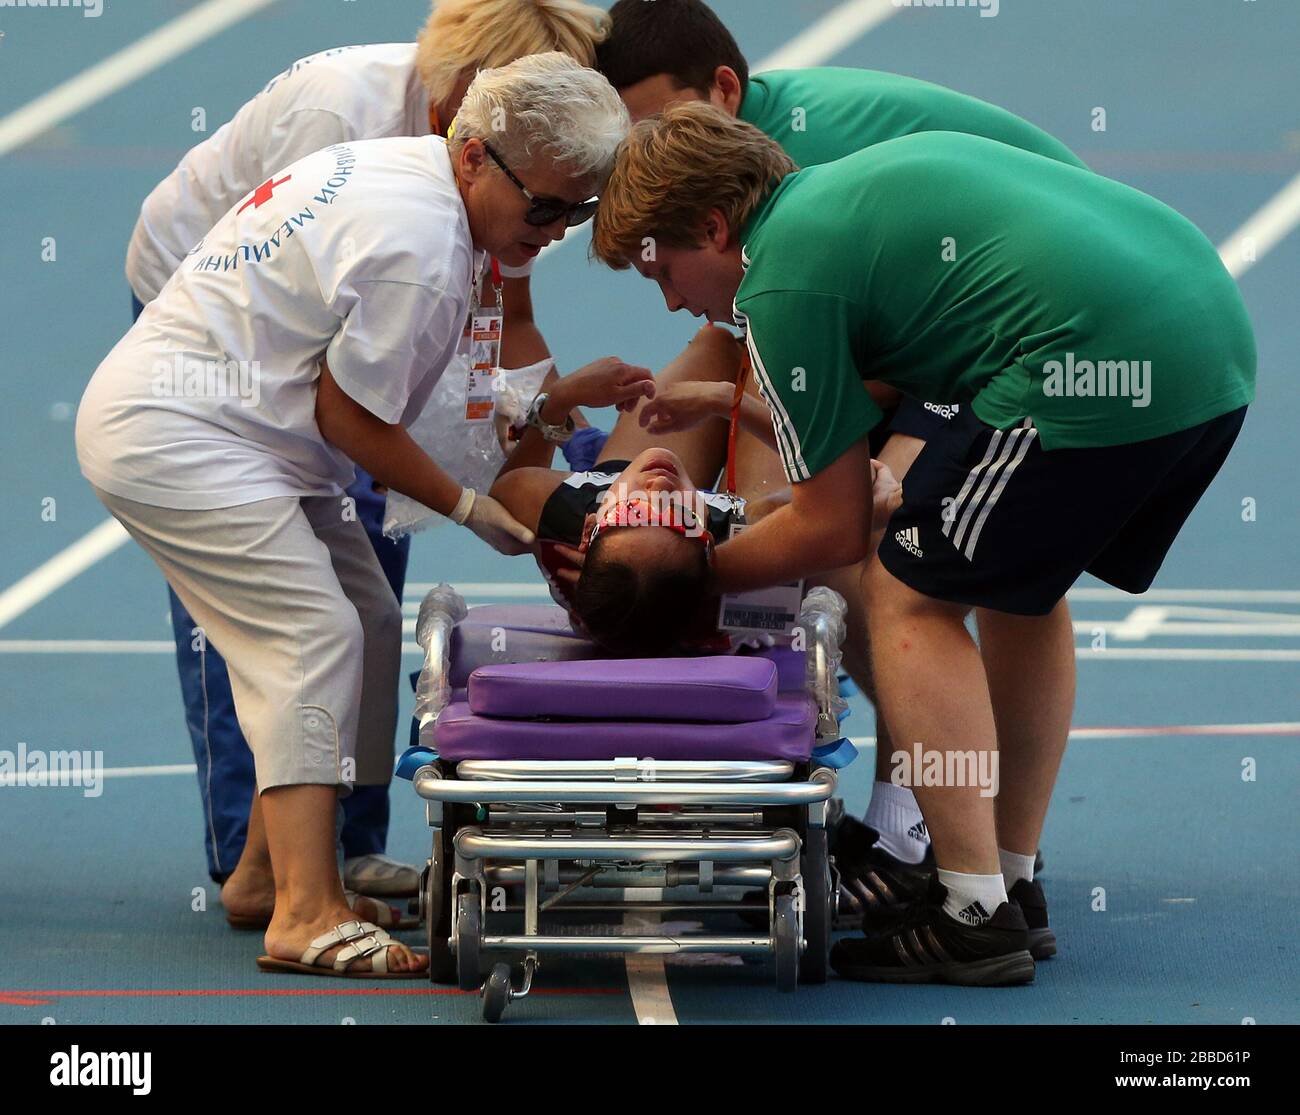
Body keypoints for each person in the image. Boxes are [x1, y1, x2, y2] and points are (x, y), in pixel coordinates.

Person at [592, 103, 1255, 984]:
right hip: (1206, 340)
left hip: (1088, 356)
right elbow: (859, 452)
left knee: (909, 587)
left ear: (714, 227)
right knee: (1020, 584)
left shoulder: (781, 282)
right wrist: (727, 417)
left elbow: (829, 525)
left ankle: (972, 913)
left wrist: (691, 575)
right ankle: (1008, 881)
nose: (674, 300)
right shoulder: (837, 199)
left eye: (663, 272)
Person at [77, 54, 632, 977]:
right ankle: (303, 910)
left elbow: (426, 393)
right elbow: (356, 415)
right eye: (544, 208)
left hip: (243, 428)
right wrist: (469, 507)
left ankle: (264, 872)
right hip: (181, 438)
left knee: (371, 614)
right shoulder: (421, 247)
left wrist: (543, 403)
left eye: (574, 216)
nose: (552, 232)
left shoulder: (412, 179)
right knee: (313, 635)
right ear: (472, 157)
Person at [595, 0, 1085, 904]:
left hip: (1027, 316)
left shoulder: (784, 188)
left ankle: (915, 835)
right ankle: (995, 861)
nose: (633, 155)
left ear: (722, 94)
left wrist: (697, 569)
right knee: (1002, 581)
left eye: (649, 127)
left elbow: (833, 439)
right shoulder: (735, 157)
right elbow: (771, 361)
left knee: (880, 562)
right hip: (1038, 285)